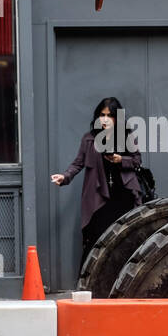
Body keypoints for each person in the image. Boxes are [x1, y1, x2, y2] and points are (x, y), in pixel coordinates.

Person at [51, 97, 142, 263]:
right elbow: (78, 163)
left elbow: (137, 160)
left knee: (123, 240)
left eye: (110, 115)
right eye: (102, 115)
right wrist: (65, 176)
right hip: (99, 196)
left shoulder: (126, 136)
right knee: (96, 240)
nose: (105, 119)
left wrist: (120, 160)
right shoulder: (90, 138)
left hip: (122, 195)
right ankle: (92, 284)